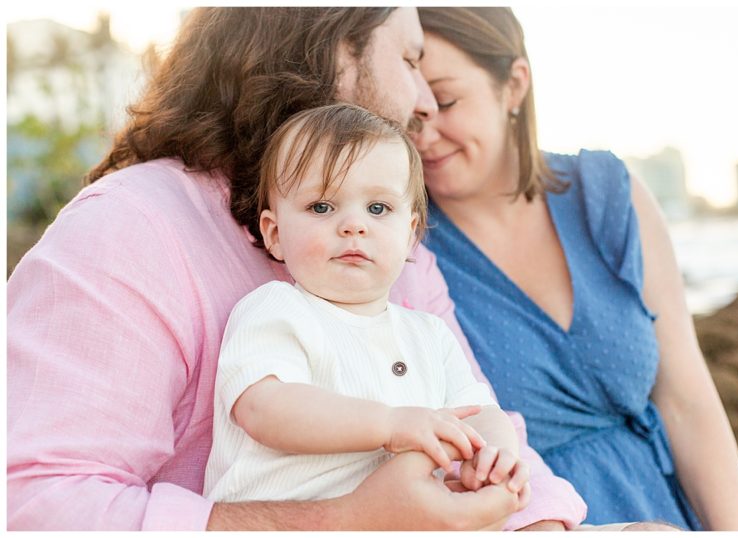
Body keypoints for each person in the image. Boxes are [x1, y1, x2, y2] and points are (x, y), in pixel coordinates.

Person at [6, 7, 586, 531]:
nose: (425, 101)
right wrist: (345, 520)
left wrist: (539, 522)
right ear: (333, 46)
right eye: (410, 60)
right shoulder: (126, 227)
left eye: (380, 209)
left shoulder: (395, 255)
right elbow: (33, 504)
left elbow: (476, 416)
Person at [413, 6, 738, 531]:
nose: (425, 131)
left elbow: (687, 401)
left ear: (514, 85)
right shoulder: (405, 249)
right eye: (410, 113)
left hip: (668, 511)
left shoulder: (611, 198)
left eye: (447, 100)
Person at [203, 103, 529, 510]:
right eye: (322, 207)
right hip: (287, 518)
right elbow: (264, 408)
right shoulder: (275, 309)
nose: (354, 225)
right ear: (275, 234)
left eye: (378, 209)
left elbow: (477, 411)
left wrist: (496, 455)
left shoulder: (428, 335)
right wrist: (389, 424)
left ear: (410, 234)